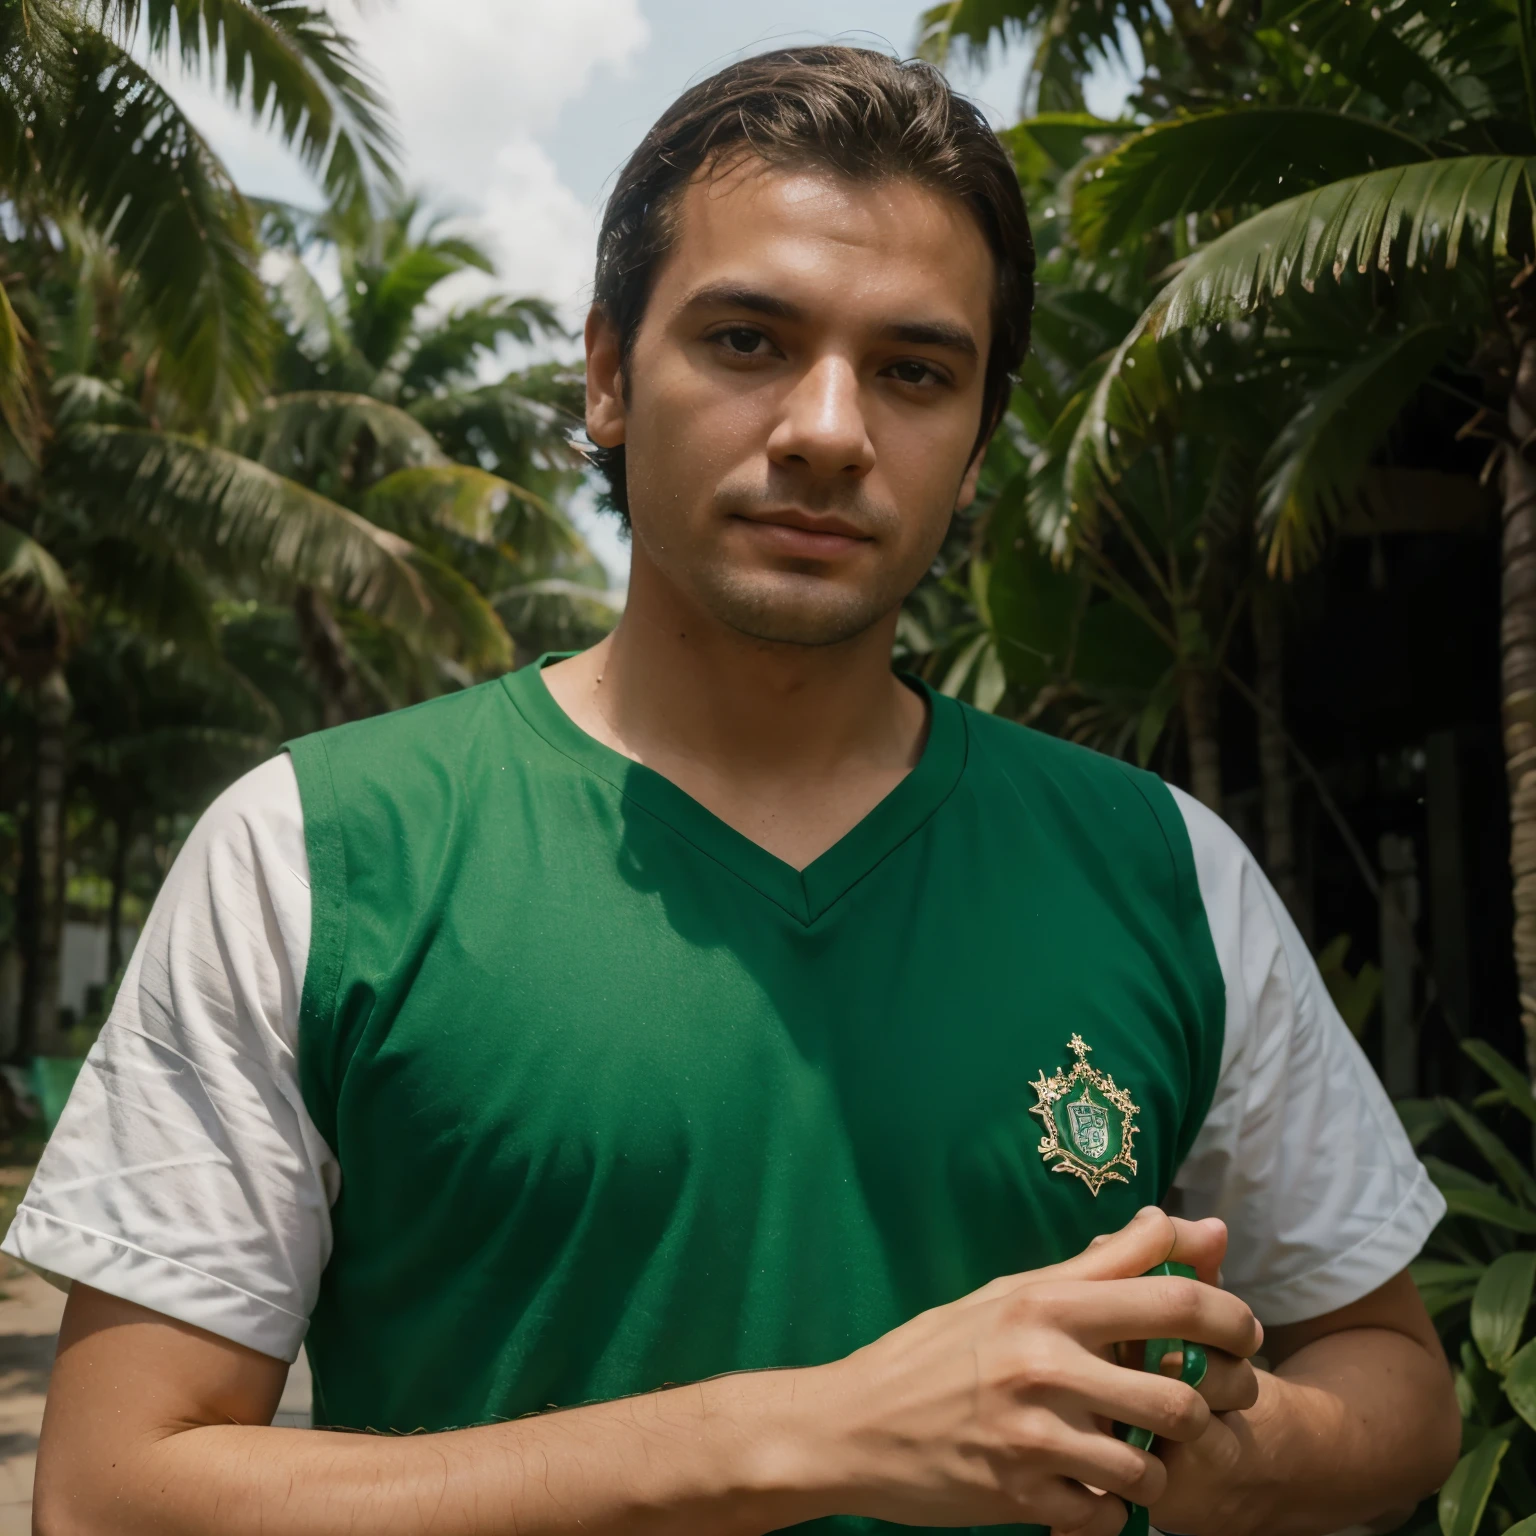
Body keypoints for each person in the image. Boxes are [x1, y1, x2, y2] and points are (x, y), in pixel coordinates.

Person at [9, 45, 1458, 1536]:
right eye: (749, 339)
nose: (830, 429)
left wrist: (1219, 1446)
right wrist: (809, 1433)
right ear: (607, 373)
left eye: (913, 369)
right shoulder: (317, 851)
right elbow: (116, 1496)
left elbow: (1397, 1383)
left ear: (975, 446)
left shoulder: (1165, 869)